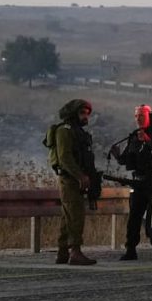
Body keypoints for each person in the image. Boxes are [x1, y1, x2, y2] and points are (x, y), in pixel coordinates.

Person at [111, 104, 152, 260]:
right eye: (136, 116)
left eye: (141, 115)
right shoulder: (134, 136)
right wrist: (117, 155)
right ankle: (131, 249)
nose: (138, 119)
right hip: (138, 182)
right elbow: (126, 160)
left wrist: (148, 141)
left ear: (149, 116)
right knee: (134, 218)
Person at [52, 99, 98, 266]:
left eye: (87, 113)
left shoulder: (79, 132)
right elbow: (65, 157)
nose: (85, 116)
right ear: (73, 113)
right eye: (82, 113)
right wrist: (80, 176)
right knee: (76, 215)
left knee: (68, 216)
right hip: (70, 180)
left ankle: (63, 252)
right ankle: (75, 252)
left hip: (77, 179)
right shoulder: (64, 131)